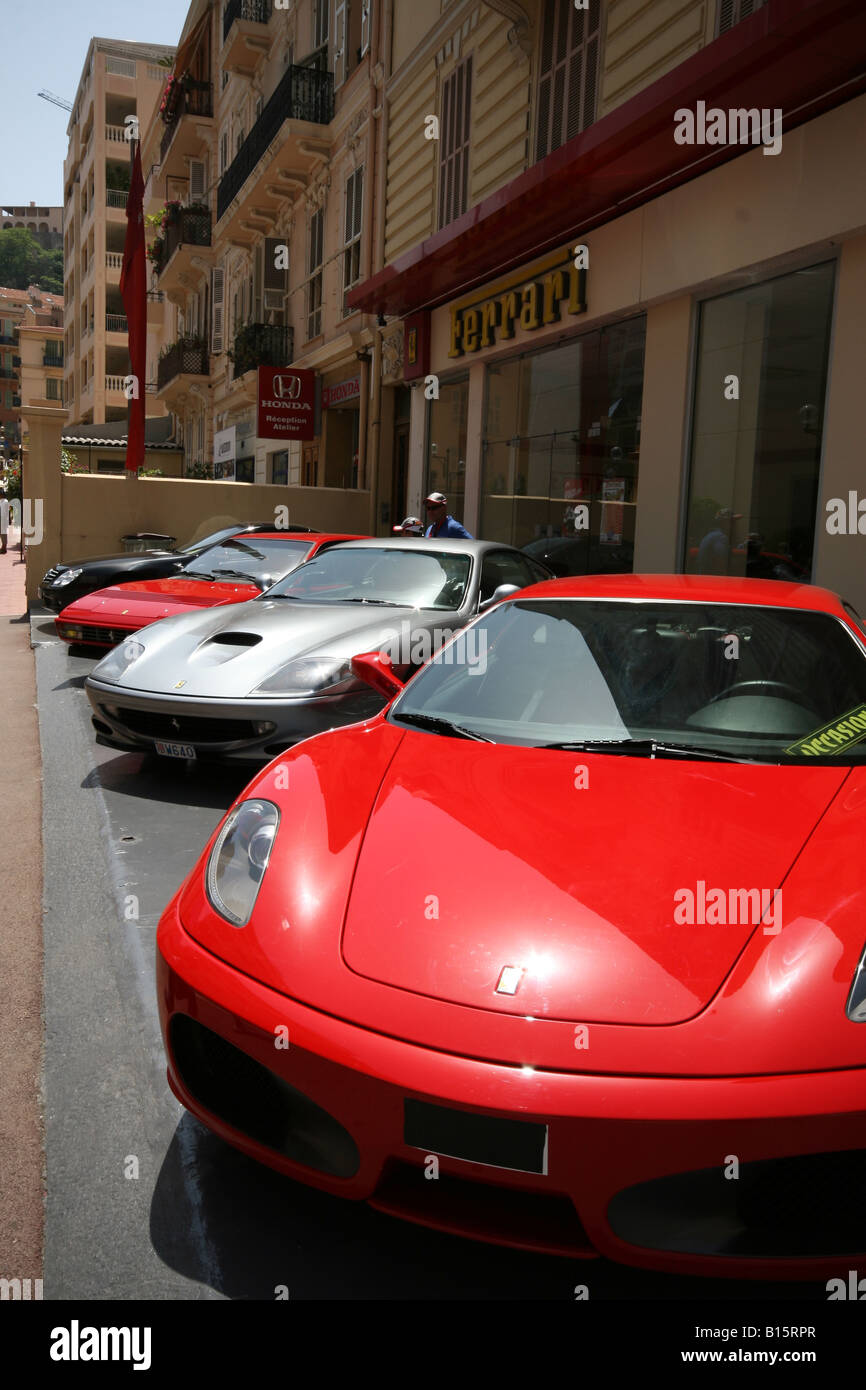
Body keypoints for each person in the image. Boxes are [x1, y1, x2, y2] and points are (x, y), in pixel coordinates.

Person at [696, 507, 742, 575]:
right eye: (733, 522)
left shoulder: (711, 535)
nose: (735, 525)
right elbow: (721, 563)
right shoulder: (720, 538)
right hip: (713, 581)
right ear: (726, 523)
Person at [0, 487, 8, 555]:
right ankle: (3, 547)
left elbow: (6, 511)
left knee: (3, 534)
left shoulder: (5, 501)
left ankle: (4, 547)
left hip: (3, 519)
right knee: (2, 534)